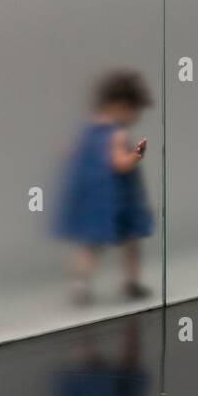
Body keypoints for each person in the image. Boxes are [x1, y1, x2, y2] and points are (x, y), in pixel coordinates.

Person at [54, 69, 154, 303]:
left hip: (94, 199)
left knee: (90, 244)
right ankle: (132, 283)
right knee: (130, 242)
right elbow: (119, 164)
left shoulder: (87, 130)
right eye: (134, 110)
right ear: (120, 106)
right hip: (118, 200)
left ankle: (80, 284)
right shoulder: (116, 134)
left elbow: (70, 154)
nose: (136, 117)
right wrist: (136, 155)